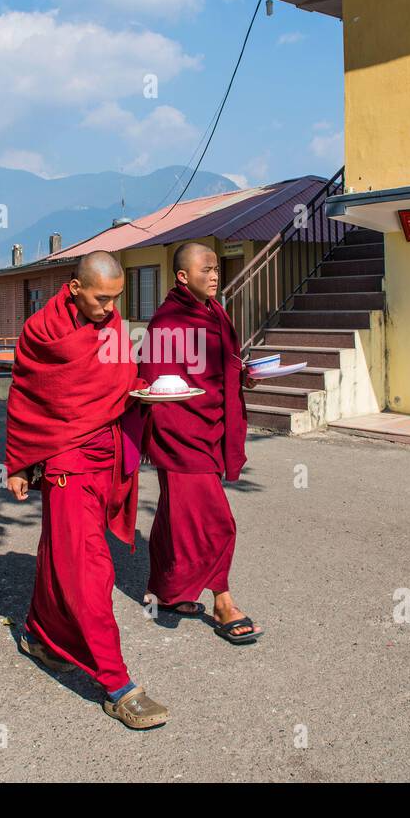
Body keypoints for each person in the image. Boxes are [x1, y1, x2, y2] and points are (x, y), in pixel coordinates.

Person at [4, 250, 169, 729]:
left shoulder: (114, 324)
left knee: (62, 555)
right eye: (101, 299)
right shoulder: (43, 331)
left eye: (116, 299)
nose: (109, 308)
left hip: (108, 454)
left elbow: (119, 380)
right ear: (75, 288)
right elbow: (30, 395)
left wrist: (146, 390)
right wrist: (19, 461)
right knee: (88, 569)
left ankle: (39, 634)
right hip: (66, 462)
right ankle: (117, 684)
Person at [138, 242, 262, 644]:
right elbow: (153, 382)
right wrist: (171, 438)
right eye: (206, 269)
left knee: (175, 515)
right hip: (180, 435)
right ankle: (223, 600)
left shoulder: (213, 311)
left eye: (216, 269)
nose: (214, 275)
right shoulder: (167, 322)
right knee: (215, 521)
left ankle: (167, 591)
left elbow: (217, 366)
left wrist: (243, 375)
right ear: (182, 277)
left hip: (211, 428)